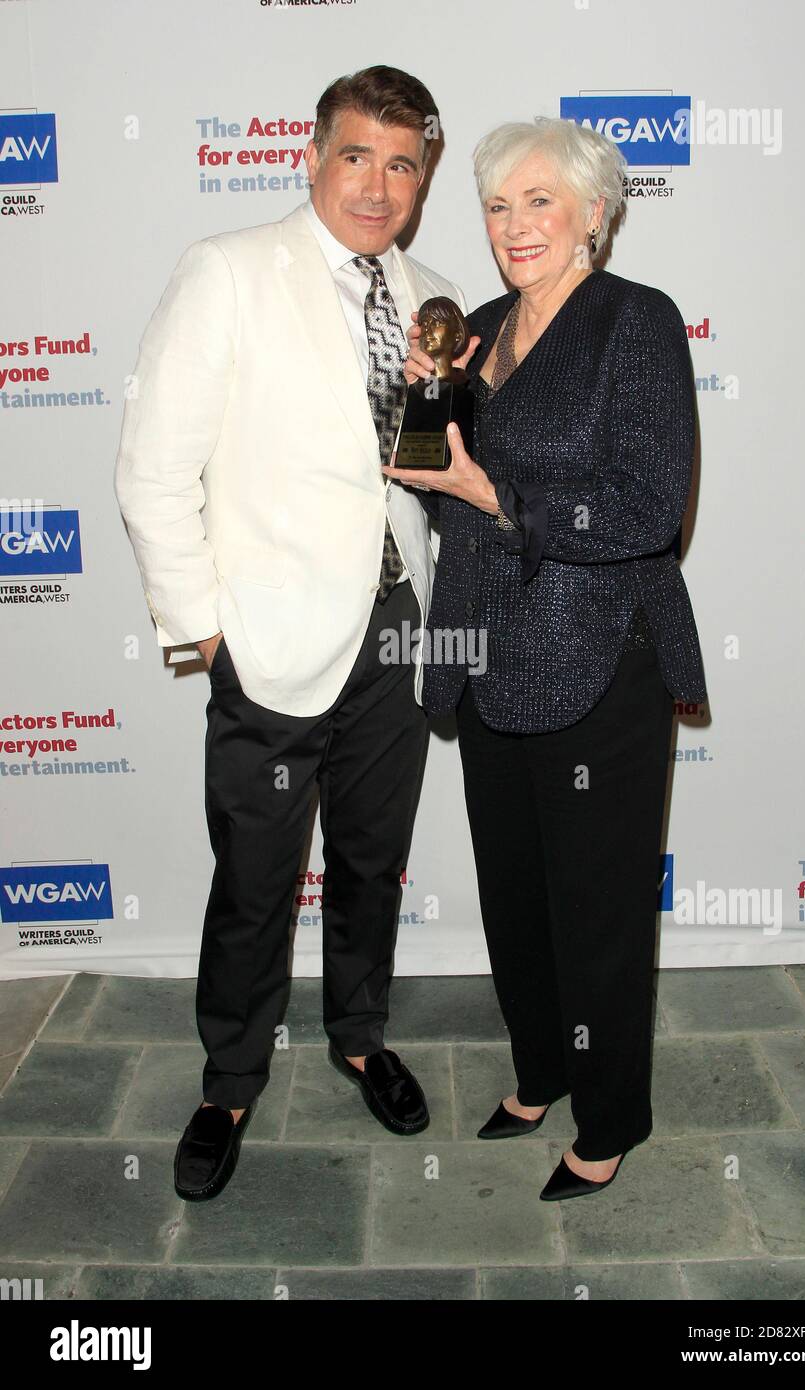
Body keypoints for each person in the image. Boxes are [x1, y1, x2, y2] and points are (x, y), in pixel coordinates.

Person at [115, 66, 466, 1201]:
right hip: (264, 643)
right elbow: (154, 470)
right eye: (356, 155)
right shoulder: (228, 272)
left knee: (371, 861)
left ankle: (359, 1034)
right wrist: (202, 631)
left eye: (401, 163)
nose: (377, 184)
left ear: (421, 179)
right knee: (256, 877)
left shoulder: (437, 301)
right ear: (311, 154)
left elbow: (422, 476)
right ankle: (227, 1080)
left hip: (394, 631)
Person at [383, 116, 707, 1201]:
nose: (513, 225)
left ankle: (608, 1116)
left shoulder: (635, 322)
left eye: (538, 202)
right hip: (484, 655)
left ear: (590, 217)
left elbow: (647, 507)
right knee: (513, 892)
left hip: (595, 657)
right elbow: (433, 465)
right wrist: (424, 410)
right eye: (494, 204)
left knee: (596, 905)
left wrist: (498, 496)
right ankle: (537, 1069)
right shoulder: (469, 327)